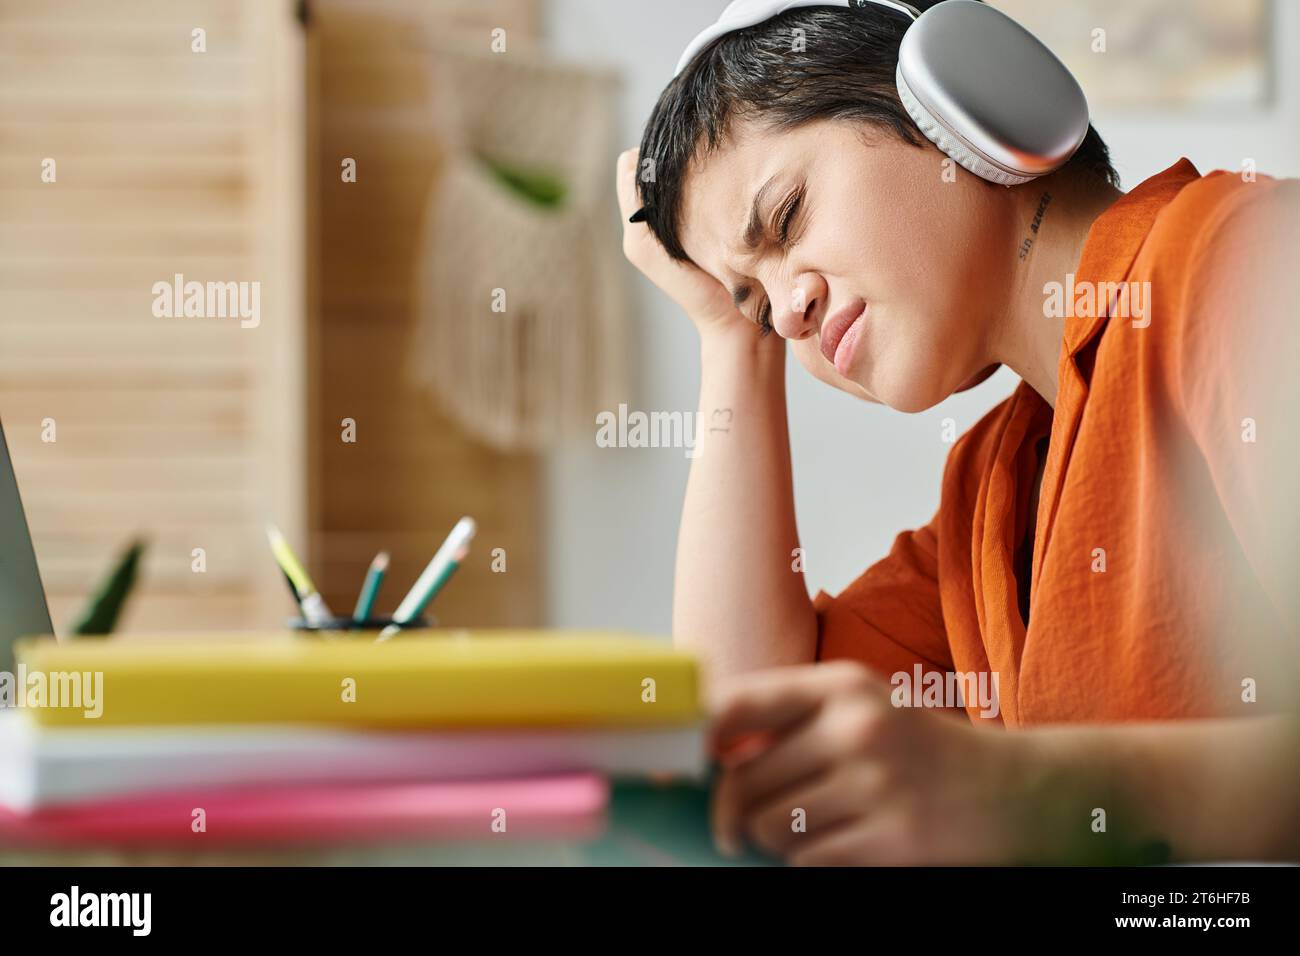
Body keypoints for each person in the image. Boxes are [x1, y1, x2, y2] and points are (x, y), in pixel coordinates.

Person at [617, 4, 1300, 864]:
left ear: (952, 107)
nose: (786, 314)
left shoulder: (1244, 265)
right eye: (758, 304)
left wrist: (1023, 787)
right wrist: (729, 338)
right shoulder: (990, 490)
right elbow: (760, 745)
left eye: (787, 217)